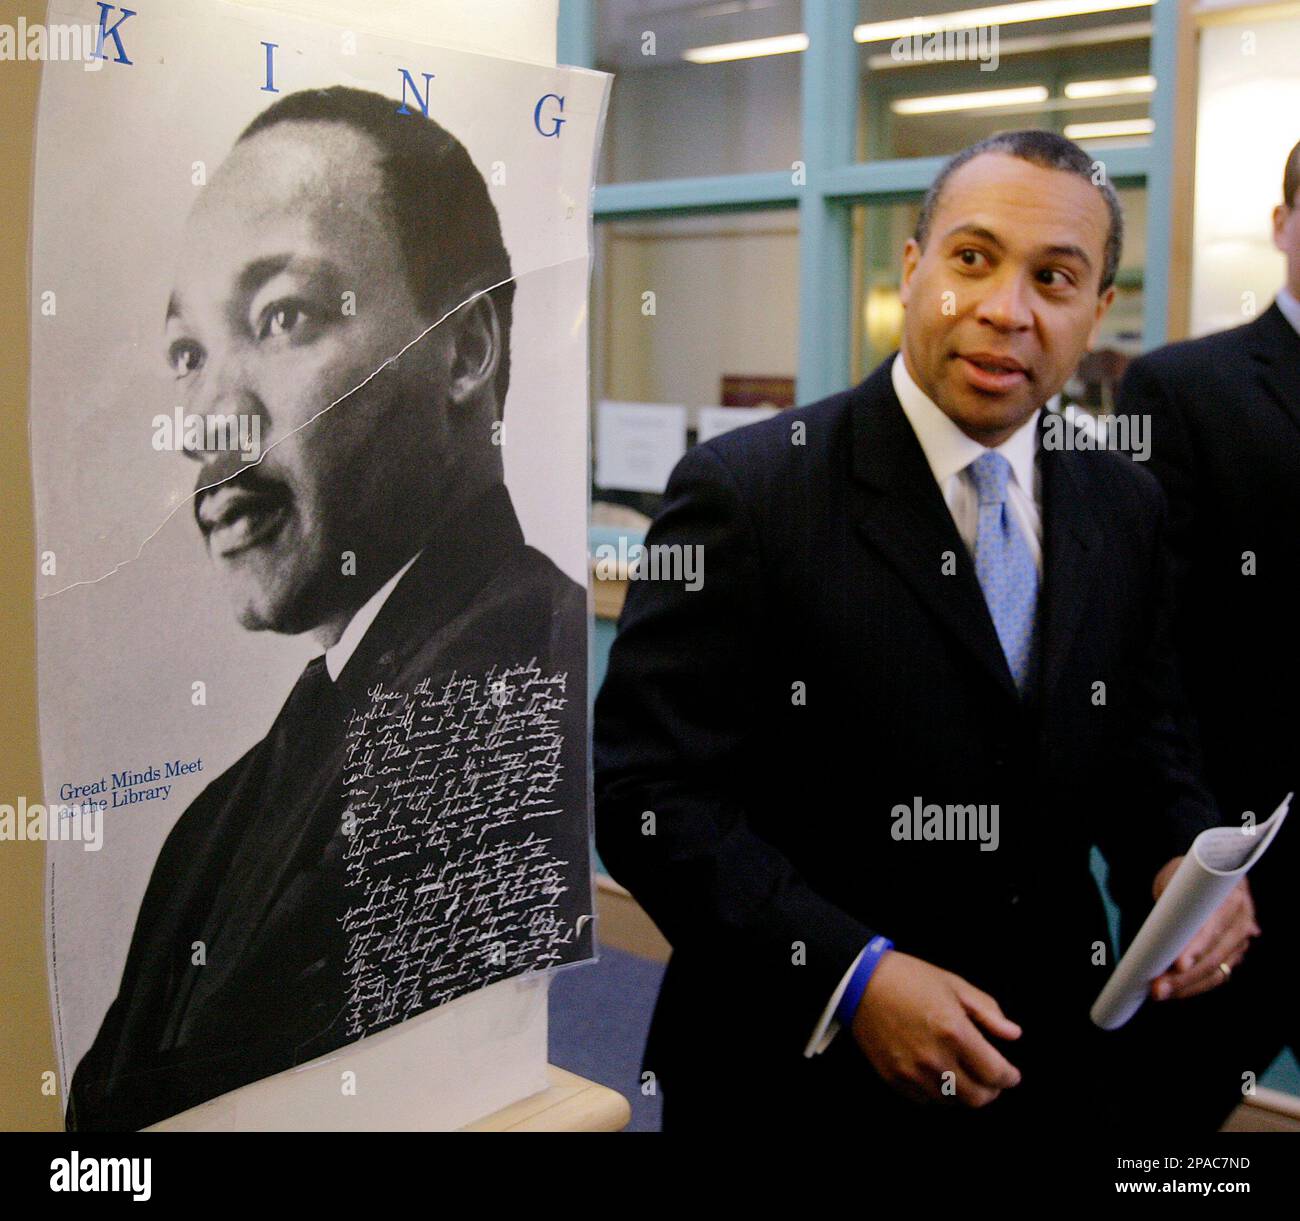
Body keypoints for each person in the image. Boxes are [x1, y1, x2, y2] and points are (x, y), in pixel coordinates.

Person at [594, 130, 1257, 1134]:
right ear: (911, 270)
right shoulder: (751, 493)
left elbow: (1141, 736)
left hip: (1038, 1056)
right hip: (792, 1073)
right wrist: (852, 976)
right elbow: (652, 799)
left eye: (1054, 277)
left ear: (1095, 312)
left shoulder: (1123, 504)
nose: (1005, 309)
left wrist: (1179, 858)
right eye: (973, 259)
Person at [68, 86, 590, 1131]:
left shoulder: (505, 670)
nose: (207, 429)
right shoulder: (236, 801)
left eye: (284, 318)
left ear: (465, 349)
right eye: (189, 356)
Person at [1115, 138, 1300, 1128]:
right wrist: (1187, 853)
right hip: (1237, 869)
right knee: (1164, 1139)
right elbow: (1148, 650)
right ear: (1280, 226)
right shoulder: (1182, 390)